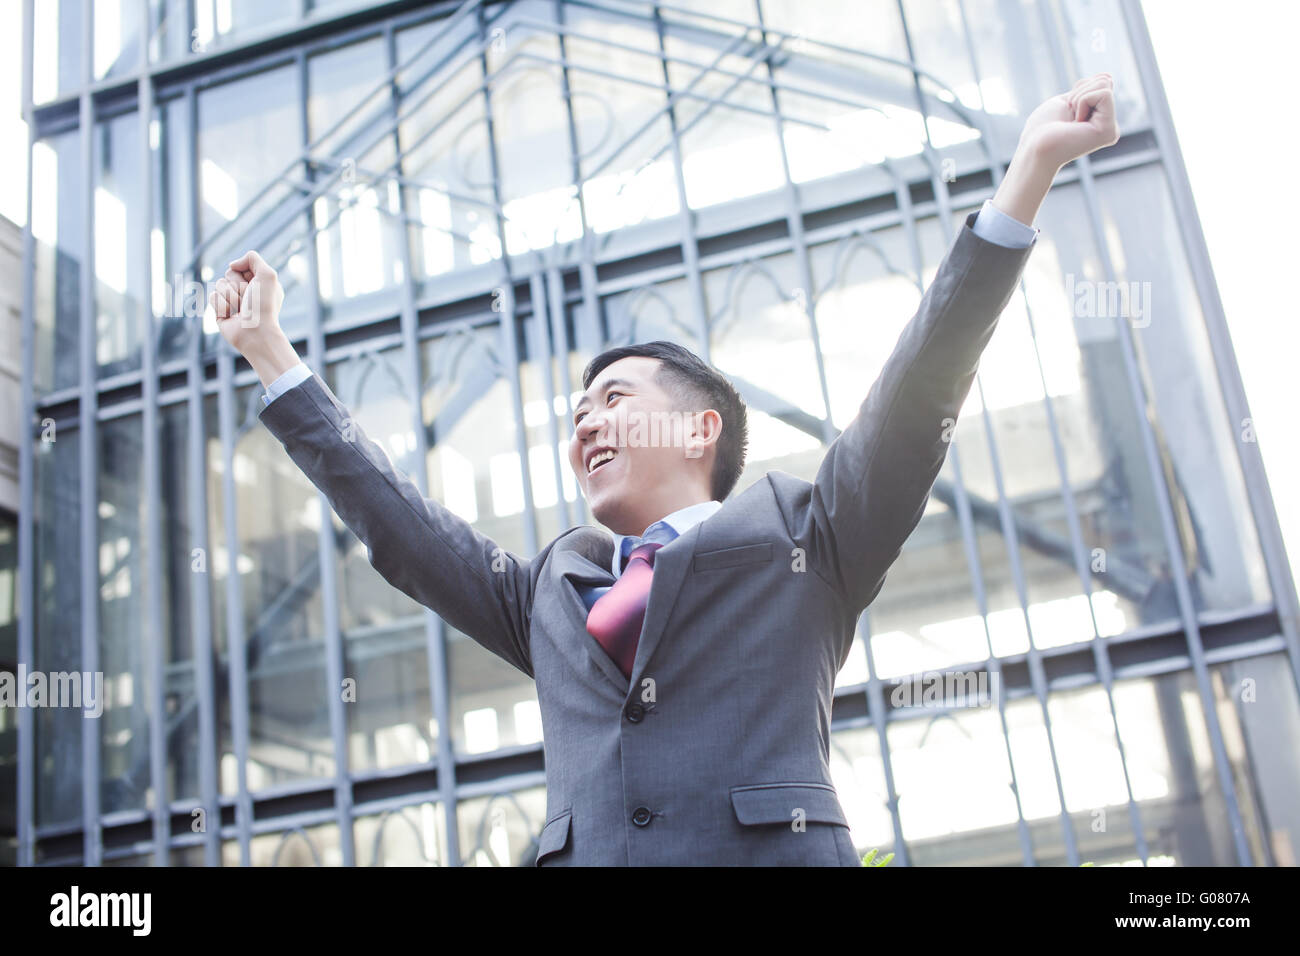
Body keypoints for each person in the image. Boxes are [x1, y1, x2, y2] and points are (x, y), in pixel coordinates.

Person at [212, 73, 1120, 865]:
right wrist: (269, 353)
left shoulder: (812, 536)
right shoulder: (547, 594)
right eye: (576, 416)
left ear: (700, 432)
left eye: (614, 400)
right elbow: (401, 526)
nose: (586, 425)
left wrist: (1028, 172)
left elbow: (918, 392)